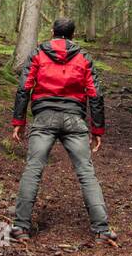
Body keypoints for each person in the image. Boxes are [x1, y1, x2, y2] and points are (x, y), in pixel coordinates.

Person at [9, 17, 116, 244]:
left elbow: (24, 87)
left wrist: (19, 121)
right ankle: (102, 230)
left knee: (33, 170)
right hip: (74, 121)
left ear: (52, 31)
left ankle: (20, 227)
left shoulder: (39, 53)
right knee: (86, 173)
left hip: (44, 118)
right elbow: (95, 95)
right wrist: (97, 130)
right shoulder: (83, 57)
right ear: (73, 34)